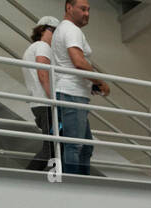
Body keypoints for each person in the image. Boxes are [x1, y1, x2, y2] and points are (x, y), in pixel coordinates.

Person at [50, 0, 109, 176]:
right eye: (82, 9)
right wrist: (100, 81)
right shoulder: (71, 30)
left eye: (88, 10)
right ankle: (74, 184)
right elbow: (79, 62)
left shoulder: (64, 29)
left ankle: (82, 181)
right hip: (72, 93)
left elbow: (71, 64)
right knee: (75, 146)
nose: (87, 14)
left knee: (85, 147)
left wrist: (90, 83)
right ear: (69, 7)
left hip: (72, 92)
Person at [23, 16, 58, 171]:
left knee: (54, 147)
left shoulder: (32, 48)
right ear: (45, 29)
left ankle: (52, 180)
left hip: (39, 105)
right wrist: (56, 100)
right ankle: (25, 180)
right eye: (55, 32)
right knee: (51, 148)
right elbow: (43, 73)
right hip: (46, 105)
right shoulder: (43, 46)